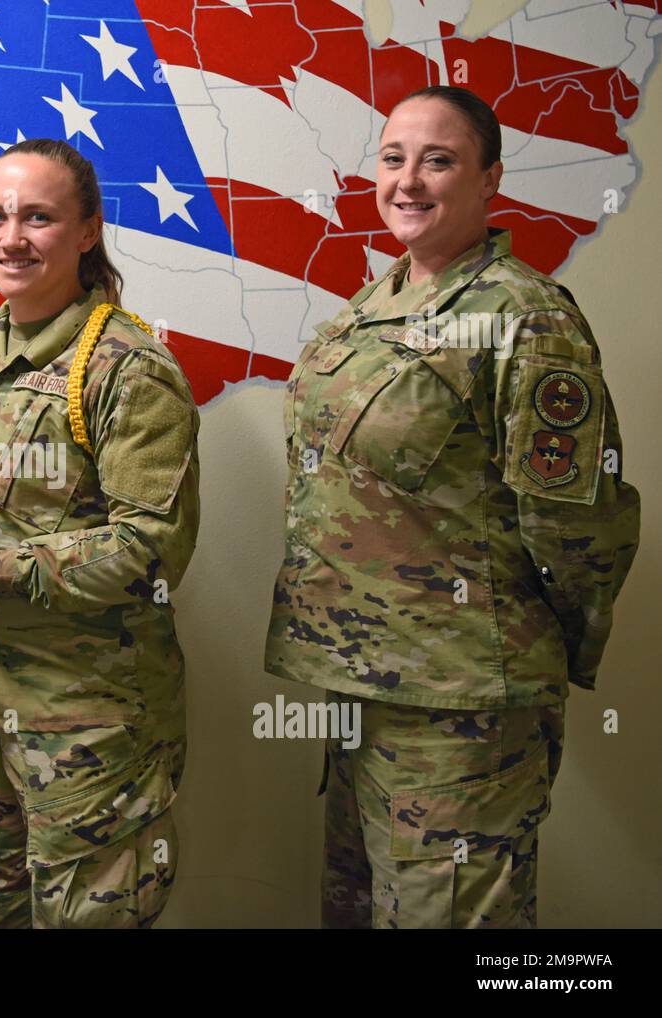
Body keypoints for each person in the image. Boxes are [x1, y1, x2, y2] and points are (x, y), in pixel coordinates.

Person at [265, 86, 641, 929]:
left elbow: (578, 522)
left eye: (439, 159)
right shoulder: (368, 310)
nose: (408, 180)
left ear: (489, 179)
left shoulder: (526, 318)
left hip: (464, 709)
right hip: (358, 686)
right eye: (394, 158)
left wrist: (532, 655)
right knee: (360, 913)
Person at [0, 138, 201, 929]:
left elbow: (148, 551)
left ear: (87, 230)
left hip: (91, 727)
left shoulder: (127, 369)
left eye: (39, 217)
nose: (12, 237)